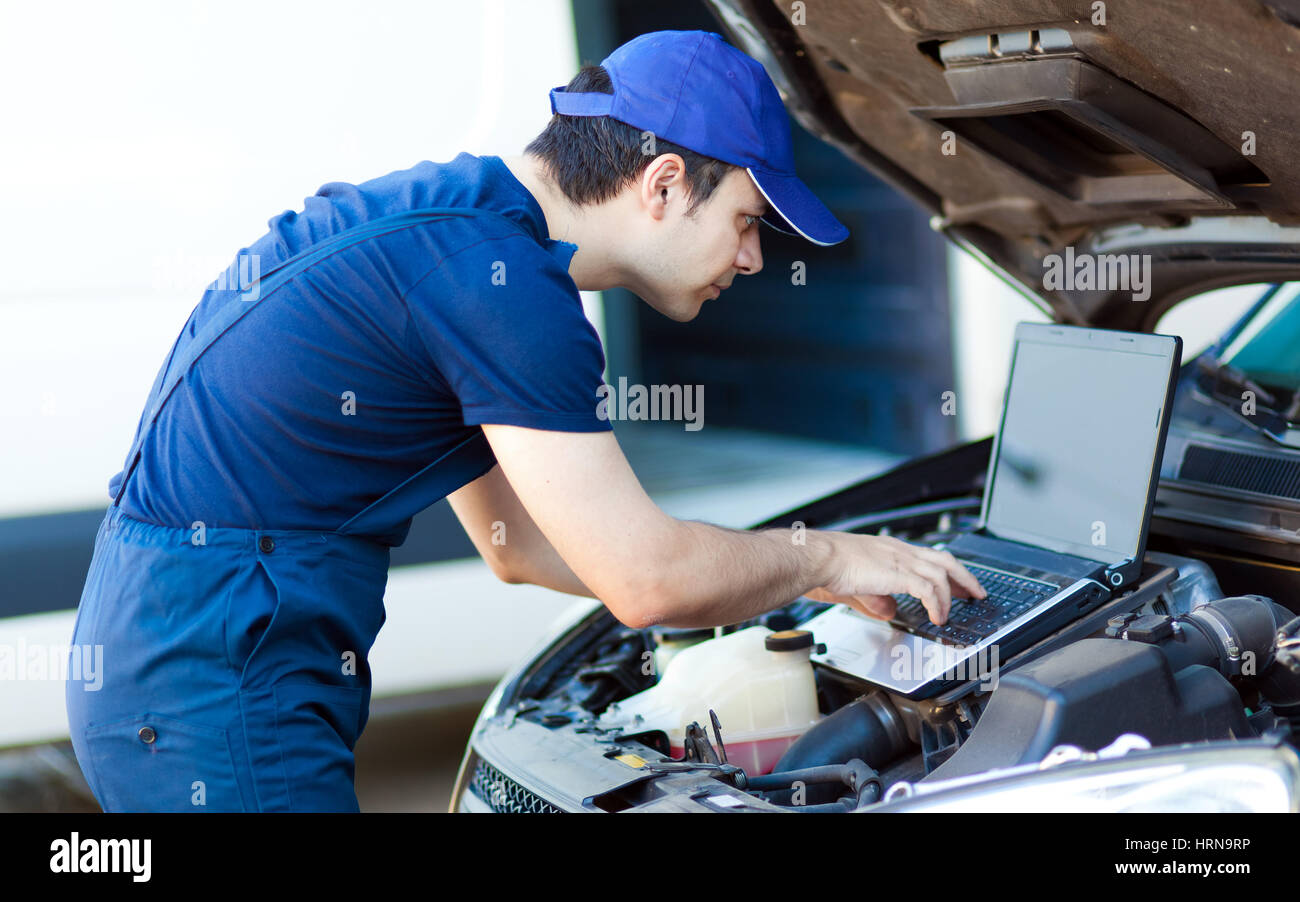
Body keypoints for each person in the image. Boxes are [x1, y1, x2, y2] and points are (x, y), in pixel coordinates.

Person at [65, 29, 985, 813]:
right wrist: (821, 556)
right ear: (662, 184)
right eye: (748, 220)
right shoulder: (508, 291)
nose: (750, 259)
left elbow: (520, 545)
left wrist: (778, 586)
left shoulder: (460, 227)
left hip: (168, 645)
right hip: (217, 676)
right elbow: (644, 583)